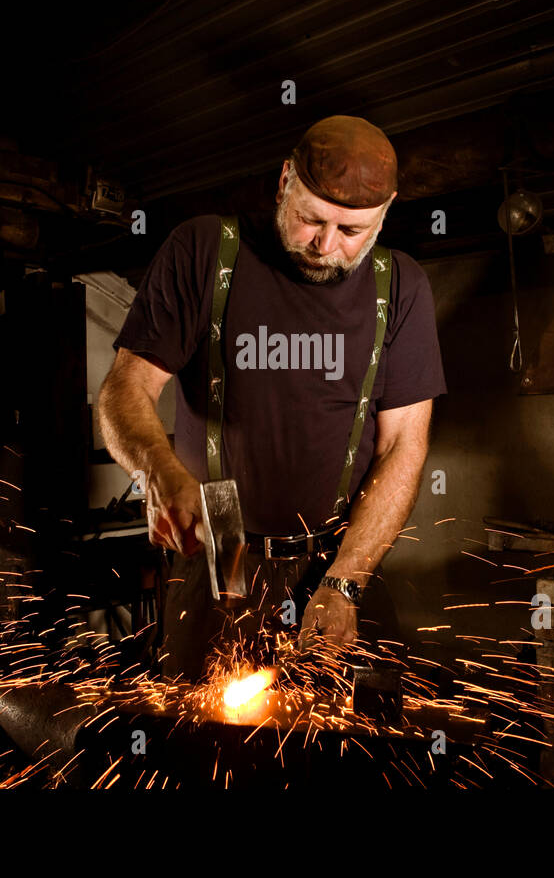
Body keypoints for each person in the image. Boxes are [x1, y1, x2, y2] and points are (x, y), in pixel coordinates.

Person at [98, 115, 446, 681]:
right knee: (196, 736)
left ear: (385, 214)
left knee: (347, 746)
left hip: (337, 555)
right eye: (311, 219)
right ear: (285, 180)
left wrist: (344, 580)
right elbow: (125, 388)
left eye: (352, 231)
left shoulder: (401, 285)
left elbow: (403, 445)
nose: (326, 245)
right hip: (221, 543)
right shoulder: (205, 248)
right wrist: (158, 471)